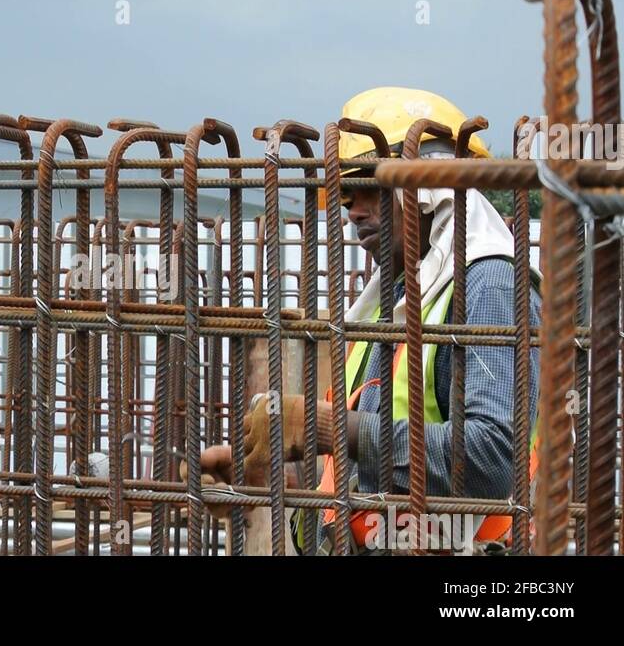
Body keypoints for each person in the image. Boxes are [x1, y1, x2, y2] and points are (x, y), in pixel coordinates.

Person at [196, 87, 542, 553]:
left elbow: (492, 461)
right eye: (347, 198)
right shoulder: (394, 295)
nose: (352, 211)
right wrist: (261, 477)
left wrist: (331, 427)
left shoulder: (489, 285)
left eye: (371, 191)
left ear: (428, 191)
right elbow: (357, 464)